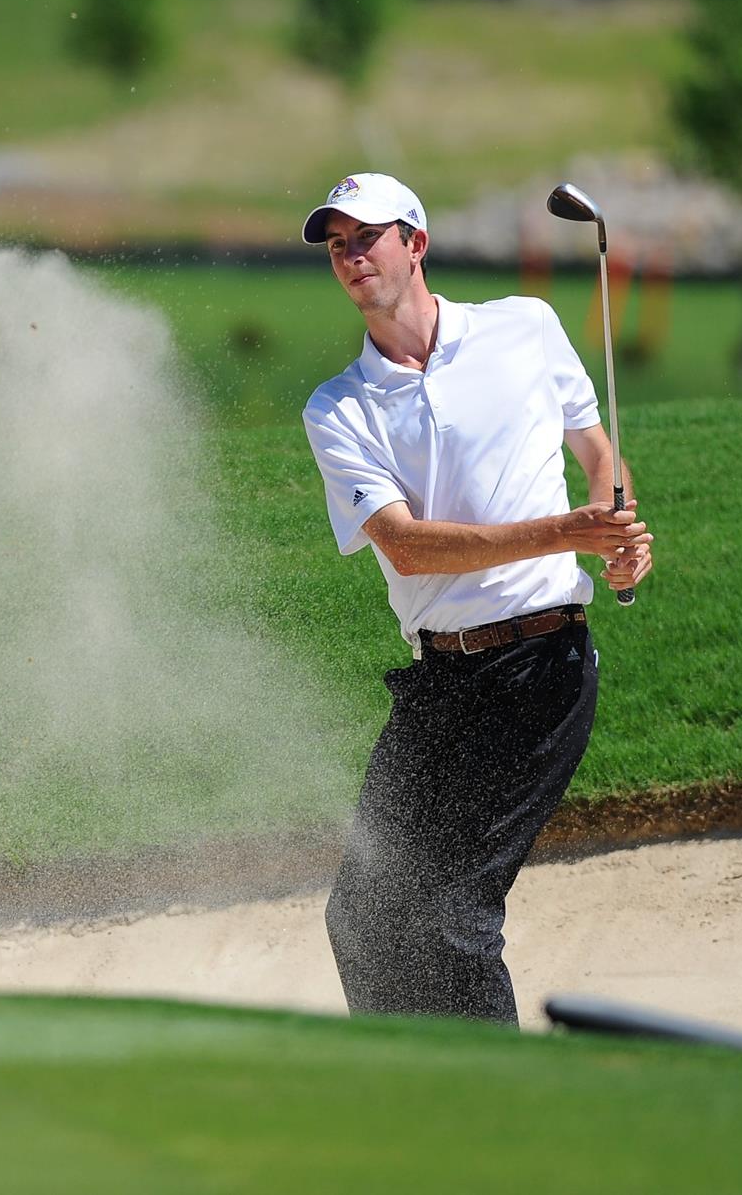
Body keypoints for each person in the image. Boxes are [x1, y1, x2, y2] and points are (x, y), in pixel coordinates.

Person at [298, 172, 653, 1025]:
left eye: (366, 236)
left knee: (452, 917)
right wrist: (571, 531)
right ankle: (409, 1097)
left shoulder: (524, 328)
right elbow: (406, 547)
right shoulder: (339, 407)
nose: (350, 256)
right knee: (363, 915)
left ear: (415, 244)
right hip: (442, 681)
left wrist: (618, 528)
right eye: (337, 244)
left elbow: (598, 453)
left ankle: (499, 1114)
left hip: (541, 670)